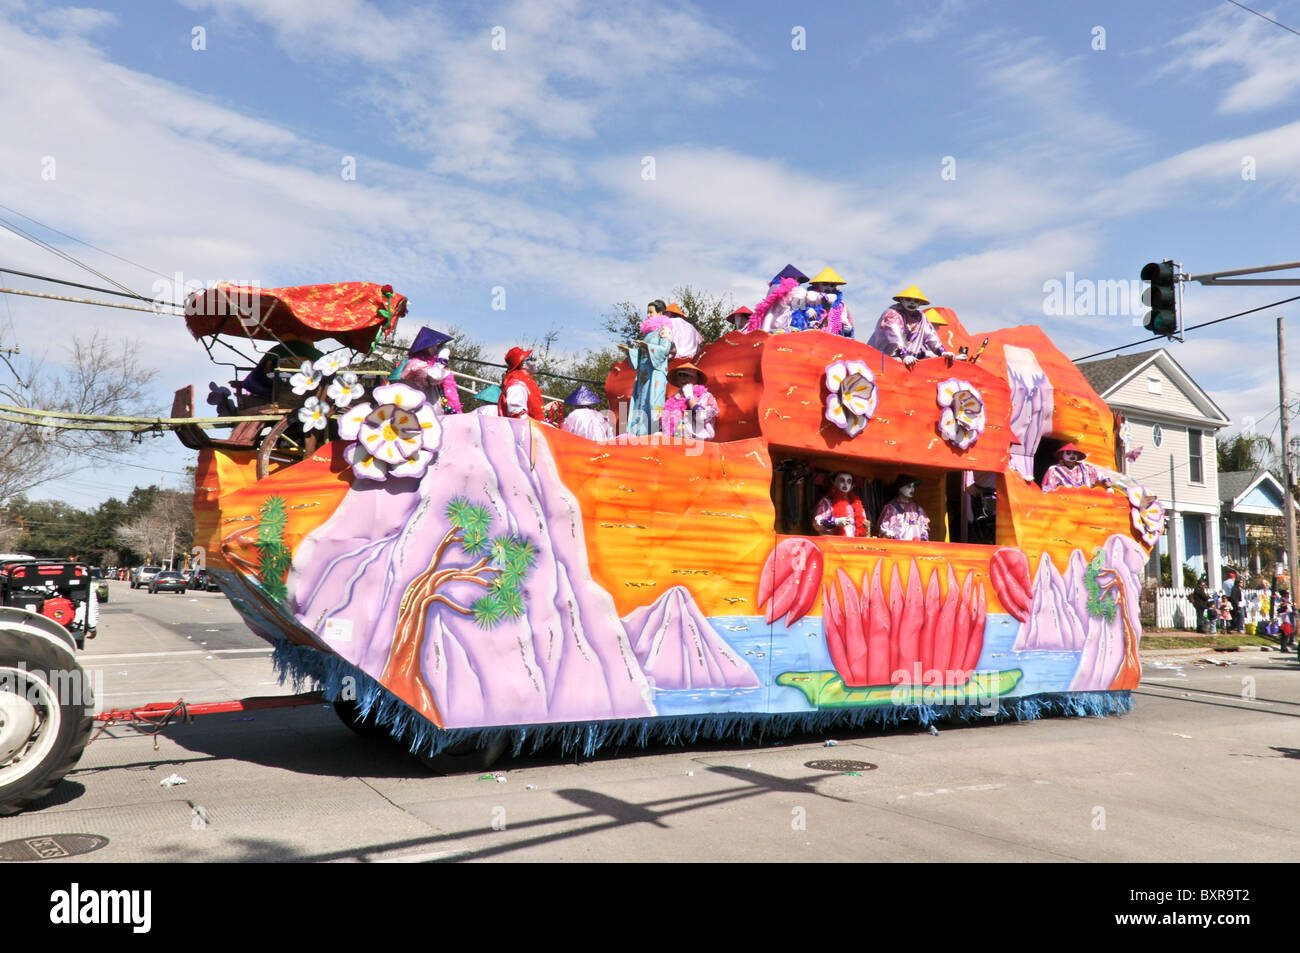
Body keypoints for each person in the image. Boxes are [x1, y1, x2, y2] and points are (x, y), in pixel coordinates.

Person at [866, 285, 958, 367]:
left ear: (920, 304)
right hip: (884, 356)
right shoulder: (892, 313)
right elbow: (894, 336)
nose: (912, 303)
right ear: (902, 300)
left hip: (909, 358)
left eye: (916, 301)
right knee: (897, 361)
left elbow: (930, 335)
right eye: (908, 300)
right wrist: (904, 355)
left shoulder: (921, 317)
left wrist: (942, 352)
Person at [619, 313, 673, 435]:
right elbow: (640, 354)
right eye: (648, 311)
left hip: (655, 371)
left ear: (660, 313)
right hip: (643, 372)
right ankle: (636, 433)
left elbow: (665, 349)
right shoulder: (647, 334)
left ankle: (654, 431)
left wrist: (649, 347)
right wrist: (630, 352)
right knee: (639, 402)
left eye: (651, 311)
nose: (648, 314)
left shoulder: (664, 329)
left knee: (653, 400)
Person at [394, 326, 463, 414]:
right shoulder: (413, 365)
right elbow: (435, 377)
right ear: (425, 347)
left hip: (435, 417)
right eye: (436, 345)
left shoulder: (433, 365)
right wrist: (443, 357)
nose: (438, 348)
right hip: (417, 415)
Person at [660, 362, 718, 440]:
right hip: (674, 444)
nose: (683, 378)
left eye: (687, 375)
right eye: (680, 375)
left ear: (696, 379)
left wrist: (690, 397)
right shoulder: (672, 400)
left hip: (697, 444)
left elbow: (701, 417)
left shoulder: (706, 396)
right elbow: (665, 425)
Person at [747, 264, 808, 334]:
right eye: (799, 280)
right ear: (796, 278)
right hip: (783, 329)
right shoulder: (797, 290)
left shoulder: (772, 288)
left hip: (765, 327)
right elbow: (798, 309)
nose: (798, 283)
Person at [813, 471, 870, 537]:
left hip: (853, 541)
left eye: (849, 481)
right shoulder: (827, 502)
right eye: (842, 480)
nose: (846, 484)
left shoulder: (855, 502)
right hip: (833, 541)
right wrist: (836, 522)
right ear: (835, 482)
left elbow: (862, 521)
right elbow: (817, 523)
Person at [802, 267, 855, 337]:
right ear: (817, 284)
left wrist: (848, 331)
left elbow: (847, 324)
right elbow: (795, 317)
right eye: (825, 284)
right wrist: (806, 311)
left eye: (832, 285)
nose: (828, 287)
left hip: (833, 341)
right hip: (810, 338)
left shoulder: (841, 305)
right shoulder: (808, 299)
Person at [1041, 443, 1113, 492]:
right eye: (1068, 453)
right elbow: (1047, 490)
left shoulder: (1086, 468)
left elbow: (1102, 474)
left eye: (1075, 453)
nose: (1072, 456)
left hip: (1087, 502)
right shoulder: (1054, 470)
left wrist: (1109, 487)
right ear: (1062, 455)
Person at [878, 475, 930, 541]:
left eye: (913, 486)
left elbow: (923, 527)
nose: (912, 489)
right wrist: (894, 538)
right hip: (897, 548)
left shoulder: (918, 508)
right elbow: (884, 529)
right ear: (900, 488)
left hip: (917, 548)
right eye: (909, 486)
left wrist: (923, 536)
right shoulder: (891, 508)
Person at [499, 346, 544, 420]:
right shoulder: (517, 386)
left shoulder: (524, 384)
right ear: (523, 365)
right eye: (531, 359)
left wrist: (545, 409)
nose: (534, 362)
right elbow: (517, 414)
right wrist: (541, 427)